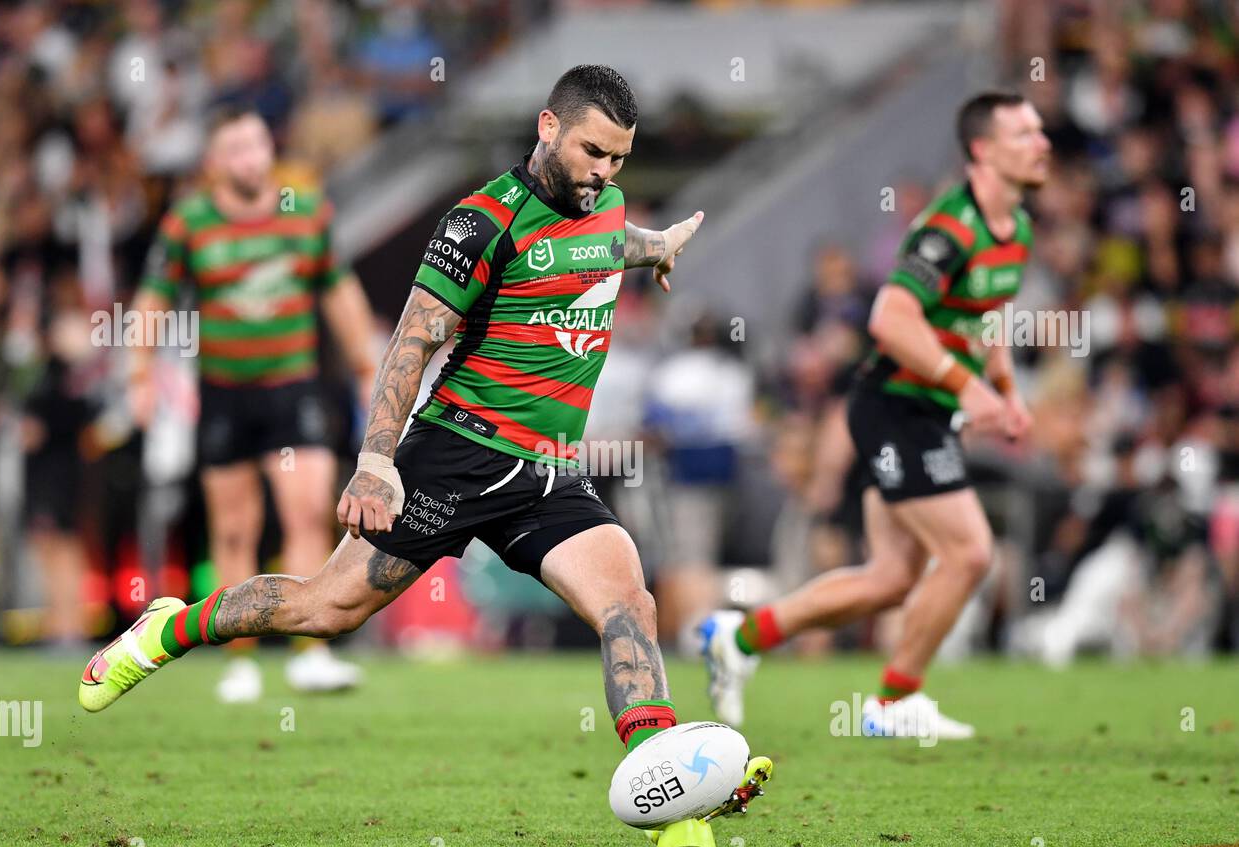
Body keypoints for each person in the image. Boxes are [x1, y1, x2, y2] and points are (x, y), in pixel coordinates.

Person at [81, 66, 726, 795]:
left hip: (547, 473)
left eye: (618, 158)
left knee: (629, 603)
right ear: (548, 127)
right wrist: (375, 461)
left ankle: (668, 792)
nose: (603, 172)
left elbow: (607, 241)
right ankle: (171, 628)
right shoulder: (480, 222)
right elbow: (410, 344)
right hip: (456, 454)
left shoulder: (603, 202)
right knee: (325, 608)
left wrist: (658, 245)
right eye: (591, 151)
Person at [700, 91, 1050, 737]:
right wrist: (964, 385)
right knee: (971, 553)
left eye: (1039, 130)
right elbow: (889, 318)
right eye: (1025, 132)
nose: (1042, 141)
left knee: (890, 579)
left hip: (926, 412)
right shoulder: (949, 230)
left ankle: (740, 636)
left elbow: (990, 311)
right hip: (894, 408)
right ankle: (892, 704)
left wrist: (1002, 384)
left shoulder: (1017, 228)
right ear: (983, 150)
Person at [131, 105, 380, 701]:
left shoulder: (306, 213)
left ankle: (308, 650)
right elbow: (154, 299)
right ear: (215, 162)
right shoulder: (188, 223)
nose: (250, 158)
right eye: (236, 148)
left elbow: (338, 291)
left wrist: (368, 364)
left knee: (306, 511)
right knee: (234, 528)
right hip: (223, 394)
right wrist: (139, 373)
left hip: (293, 390)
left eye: (257, 144)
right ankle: (239, 659)